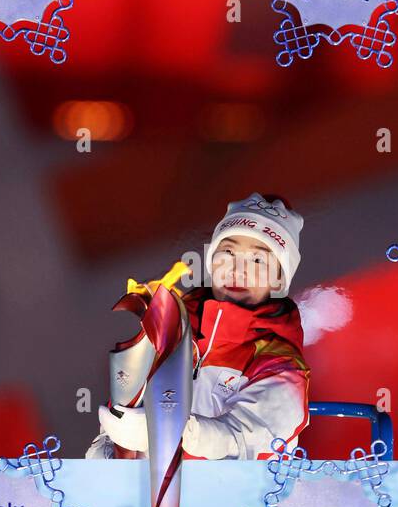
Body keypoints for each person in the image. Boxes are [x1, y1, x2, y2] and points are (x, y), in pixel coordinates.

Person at [85, 193, 310, 460]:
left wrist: (169, 432)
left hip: (239, 500)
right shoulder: (168, 330)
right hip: (146, 497)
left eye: (258, 260)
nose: (237, 268)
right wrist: (108, 455)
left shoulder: (279, 361)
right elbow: (118, 419)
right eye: (227, 252)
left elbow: (246, 439)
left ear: (278, 281)